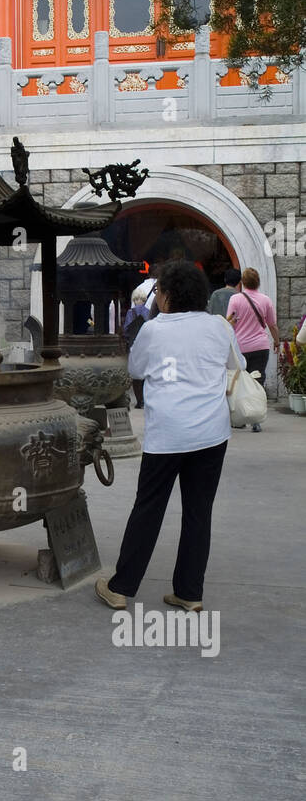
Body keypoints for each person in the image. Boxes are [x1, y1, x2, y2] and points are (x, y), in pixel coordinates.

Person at [96, 260, 246, 614]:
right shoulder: (218, 327)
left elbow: (136, 369)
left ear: (165, 296)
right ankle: (190, 592)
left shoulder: (153, 329)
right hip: (211, 433)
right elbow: (235, 365)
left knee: (148, 508)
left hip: (167, 434)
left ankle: (121, 588)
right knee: (198, 511)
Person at [226, 266, 280, 432]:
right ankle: (256, 419)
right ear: (258, 283)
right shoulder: (265, 300)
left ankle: (241, 418)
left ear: (243, 282)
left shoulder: (235, 300)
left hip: (240, 347)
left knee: (240, 382)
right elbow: (272, 325)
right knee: (257, 381)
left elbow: (229, 323)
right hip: (260, 346)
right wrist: (277, 342)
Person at [122, 286, 152, 408]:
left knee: (136, 375)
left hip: (134, 345)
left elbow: (126, 330)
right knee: (146, 373)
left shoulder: (131, 312)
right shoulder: (148, 312)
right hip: (147, 346)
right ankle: (145, 399)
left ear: (134, 299)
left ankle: (140, 402)